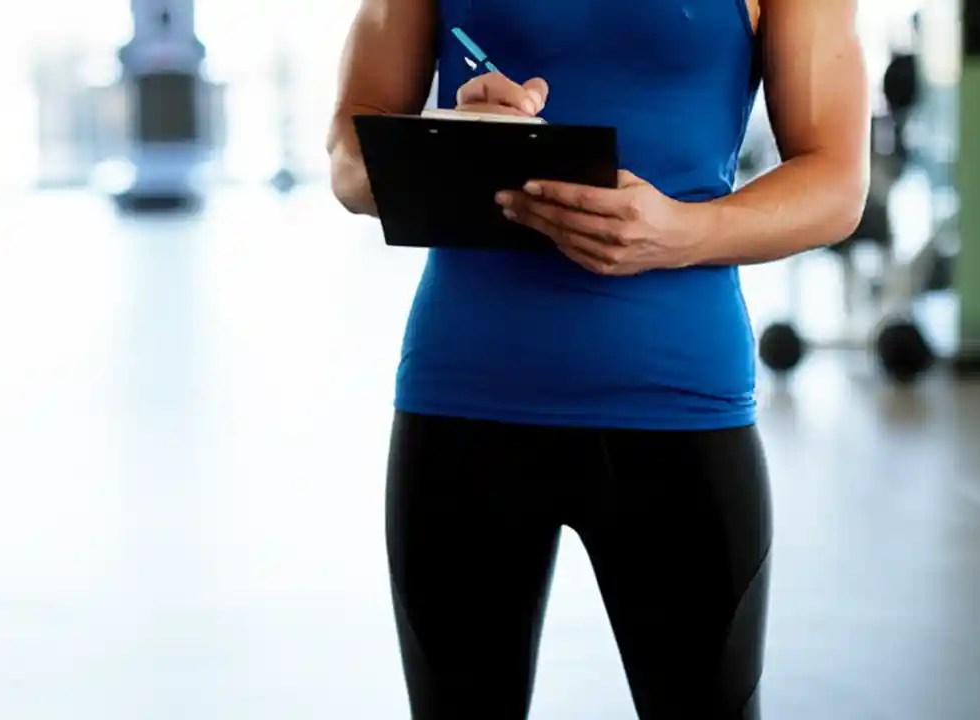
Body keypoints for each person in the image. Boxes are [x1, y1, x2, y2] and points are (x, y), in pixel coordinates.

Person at [327, 0, 869, 718]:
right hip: (463, 395)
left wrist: (682, 232)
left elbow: (837, 181)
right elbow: (347, 158)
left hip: (679, 399)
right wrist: (448, 143)